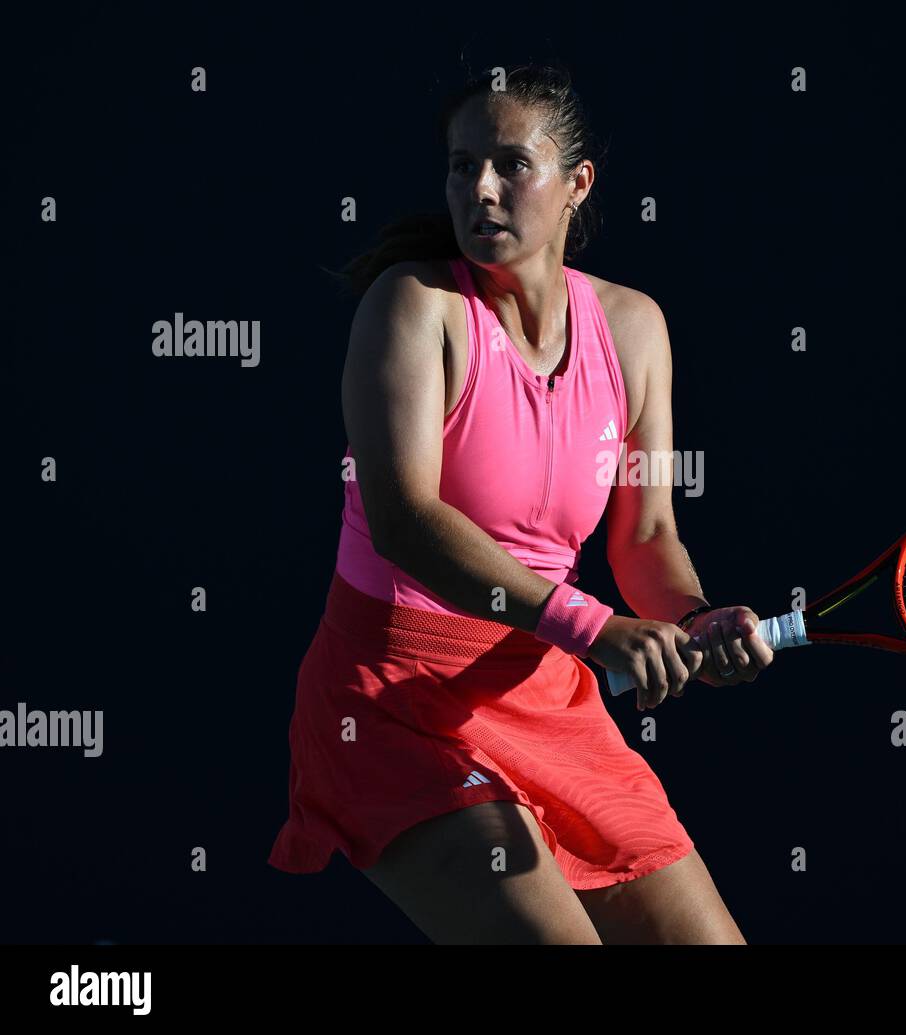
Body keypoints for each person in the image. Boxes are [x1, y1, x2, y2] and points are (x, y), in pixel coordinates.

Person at [268, 64, 773, 944]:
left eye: (511, 165)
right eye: (463, 167)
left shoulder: (634, 328)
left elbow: (648, 535)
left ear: (579, 184)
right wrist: (596, 627)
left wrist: (692, 618)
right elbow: (404, 518)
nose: (482, 190)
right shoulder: (413, 307)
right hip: (393, 701)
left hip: (546, 694)